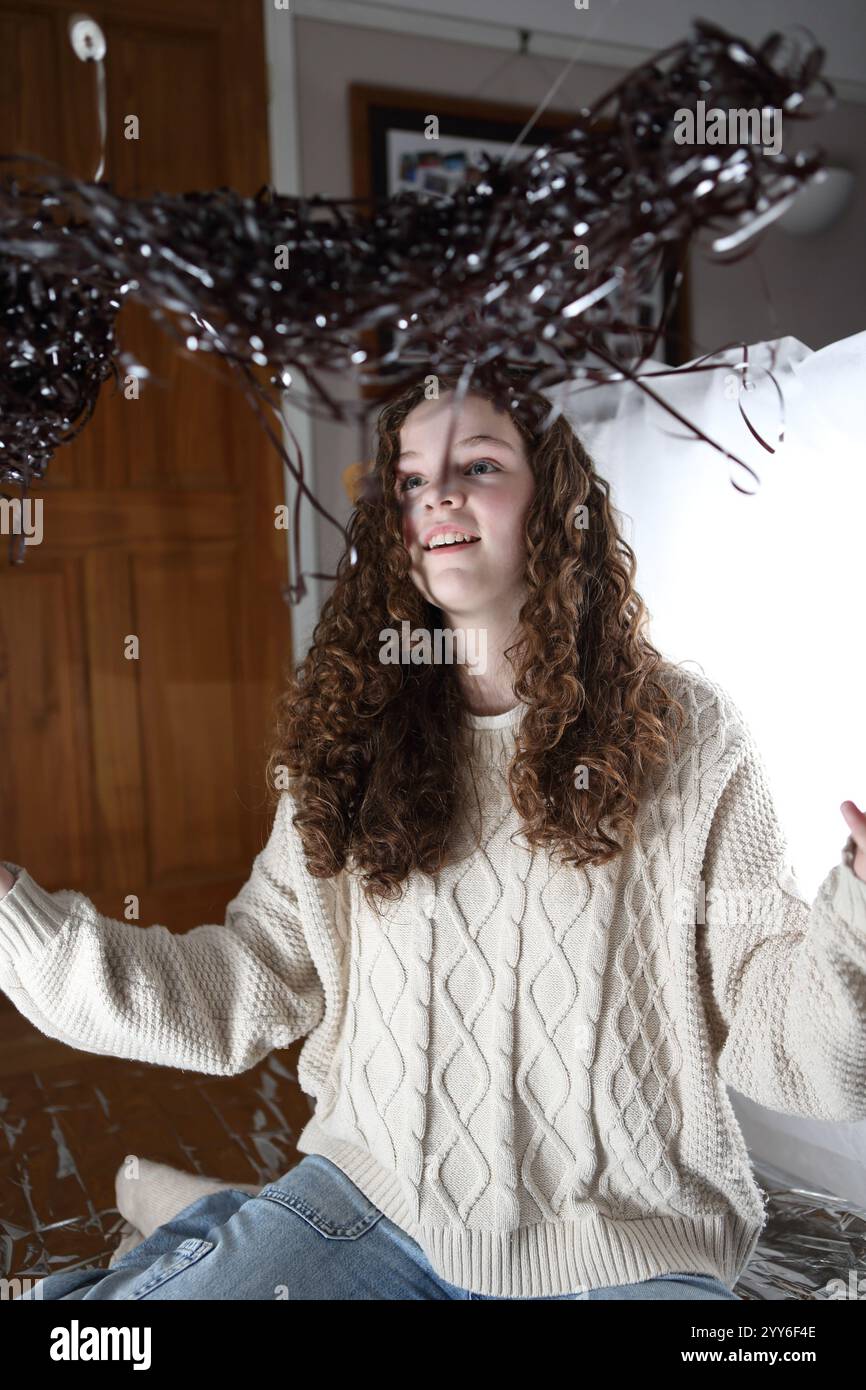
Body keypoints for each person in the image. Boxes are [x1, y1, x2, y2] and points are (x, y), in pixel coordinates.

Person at [2, 369, 865, 1302]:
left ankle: (214, 1227)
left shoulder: (691, 735)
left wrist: (858, 918)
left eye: (479, 464)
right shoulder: (350, 740)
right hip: (370, 1211)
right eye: (411, 480)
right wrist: (14, 915)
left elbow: (786, 1039)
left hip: (625, 1246)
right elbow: (239, 986)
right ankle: (223, 1238)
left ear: (554, 501)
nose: (439, 494)